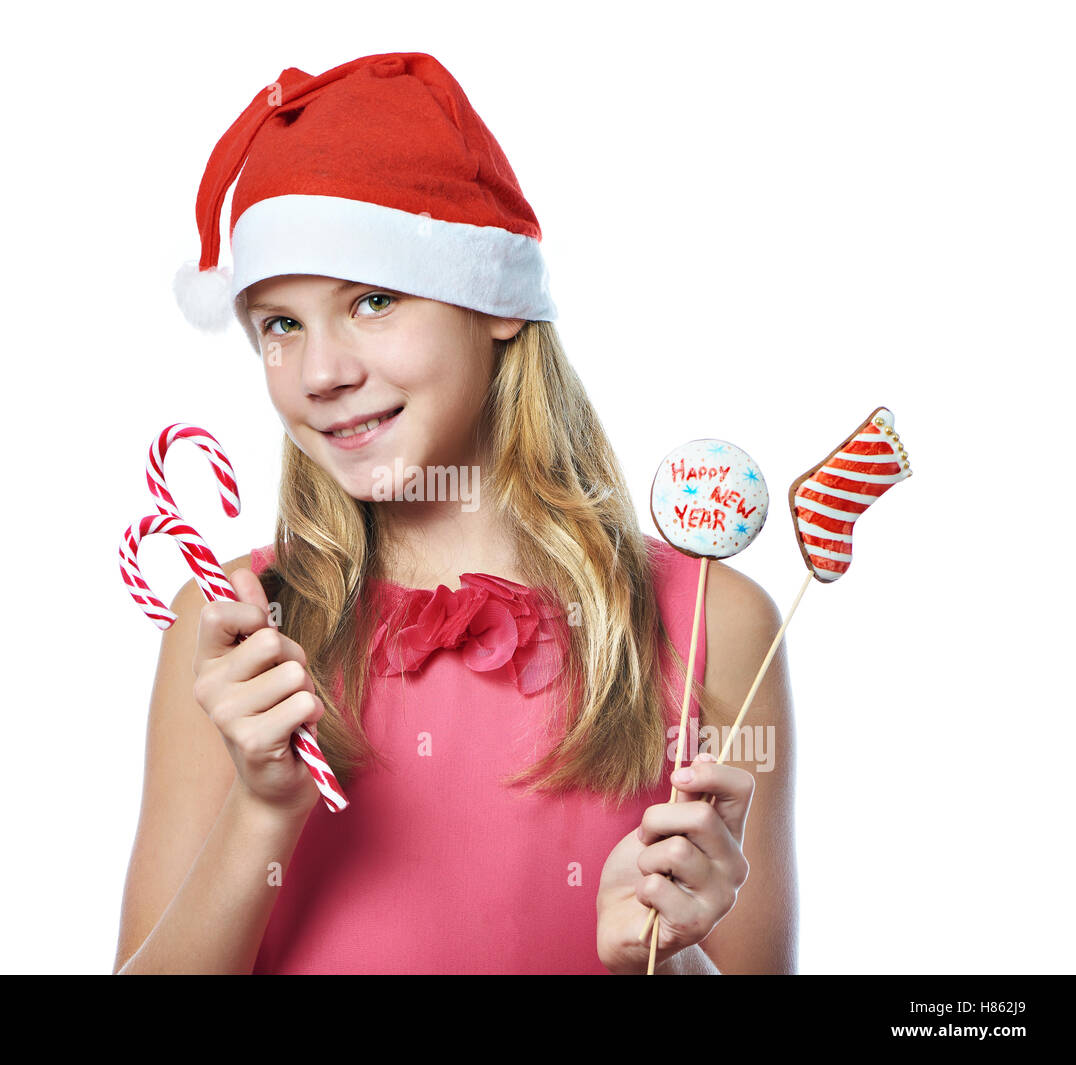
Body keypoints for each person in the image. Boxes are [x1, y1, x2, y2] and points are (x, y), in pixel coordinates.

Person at [112, 51, 798, 974]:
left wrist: (661, 960)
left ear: (498, 300)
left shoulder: (713, 621)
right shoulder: (238, 631)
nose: (321, 374)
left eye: (374, 300)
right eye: (280, 323)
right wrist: (262, 807)